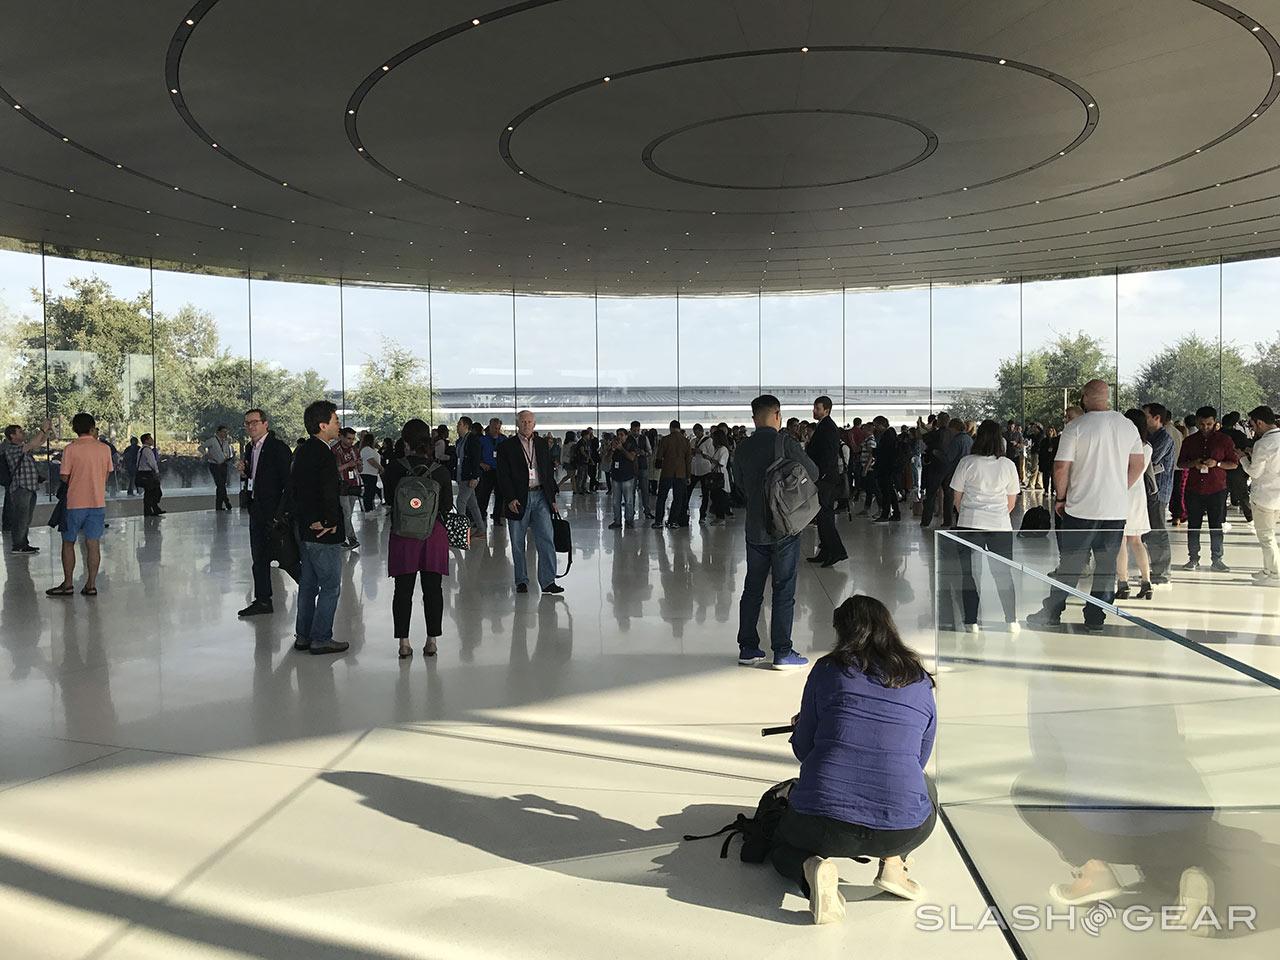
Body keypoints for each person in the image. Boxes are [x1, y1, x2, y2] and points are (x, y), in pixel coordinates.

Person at [770, 595, 937, 924]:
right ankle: (893, 865)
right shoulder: (918, 679)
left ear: (843, 632)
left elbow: (805, 751)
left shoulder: (828, 670)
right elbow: (919, 758)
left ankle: (812, 869)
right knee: (924, 785)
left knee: (782, 847)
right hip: (903, 828)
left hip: (822, 825)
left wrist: (804, 726)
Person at [1027, 380, 1144, 631]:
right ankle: (1095, 616)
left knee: (1070, 564)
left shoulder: (1076, 427)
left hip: (1080, 508)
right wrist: (1120, 487)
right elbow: (1138, 464)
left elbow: (1061, 466)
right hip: (1114, 510)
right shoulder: (1127, 426)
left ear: (1086, 397)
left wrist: (1061, 497)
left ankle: (1053, 611)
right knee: (1105, 565)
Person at [733, 395, 817, 670]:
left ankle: (748, 647)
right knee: (783, 589)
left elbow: (739, 485)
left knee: (752, 588)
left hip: (754, 527)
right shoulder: (785, 443)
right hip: (783, 527)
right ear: (777, 415)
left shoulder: (743, 447)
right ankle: (782, 651)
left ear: (754, 417)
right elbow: (812, 473)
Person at [385, 418, 454, 658]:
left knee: (402, 590)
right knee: (433, 589)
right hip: (433, 534)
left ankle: (403, 642)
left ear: (405, 440)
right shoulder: (441, 471)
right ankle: (431, 640)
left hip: (403, 534)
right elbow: (446, 506)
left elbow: (388, 500)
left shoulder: (394, 468)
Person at [949, 419, 1021, 631]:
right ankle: (1011, 620)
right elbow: (1011, 502)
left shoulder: (967, 462)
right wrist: (996, 514)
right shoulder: (1007, 465)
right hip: (999, 525)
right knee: (1003, 573)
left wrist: (970, 514)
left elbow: (957, 498)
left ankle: (971, 621)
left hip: (970, 524)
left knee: (969, 574)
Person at [292, 400, 348, 655]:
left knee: (308, 584)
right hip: (323, 532)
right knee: (330, 585)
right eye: (335, 421)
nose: (338, 425)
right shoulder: (324, 453)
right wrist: (328, 522)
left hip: (304, 527)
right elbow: (327, 493)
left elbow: (297, 491)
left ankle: (303, 636)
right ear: (323, 425)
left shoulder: (302, 451)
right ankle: (321, 637)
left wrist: (307, 520)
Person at [496, 409, 563, 595]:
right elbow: (503, 476)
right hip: (518, 498)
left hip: (541, 496)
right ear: (518, 424)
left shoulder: (542, 444)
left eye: (529, 422)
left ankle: (548, 581)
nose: (526, 425)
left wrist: (552, 499)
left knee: (546, 539)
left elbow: (547, 472)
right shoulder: (506, 446)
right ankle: (521, 580)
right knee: (518, 543)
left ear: (535, 424)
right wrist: (510, 498)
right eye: (523, 421)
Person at [46, 413, 113, 598]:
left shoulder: (70, 449)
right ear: (92, 428)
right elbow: (106, 475)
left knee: (68, 542)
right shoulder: (104, 449)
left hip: (74, 503)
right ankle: (91, 585)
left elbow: (64, 476)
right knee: (93, 544)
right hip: (97, 503)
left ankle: (68, 584)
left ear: (75, 429)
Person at [238, 408, 293, 618]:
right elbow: (254, 479)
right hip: (257, 510)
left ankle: (309, 590)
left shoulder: (278, 448)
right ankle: (262, 599)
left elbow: (289, 483)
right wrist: (244, 472)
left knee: (287, 557)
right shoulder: (249, 449)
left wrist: (283, 512)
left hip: (275, 513)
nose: (251, 426)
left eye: (254, 422)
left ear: (265, 423)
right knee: (259, 557)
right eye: (247, 423)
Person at [1177, 406, 1238, 572]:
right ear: (1197, 422)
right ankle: (1193, 558)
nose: (1205, 427)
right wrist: (1193, 463)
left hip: (1216, 488)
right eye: (1202, 424)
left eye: (1209, 424)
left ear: (1215, 423)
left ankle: (1217, 559)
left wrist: (1217, 463)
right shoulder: (1189, 441)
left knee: (1216, 525)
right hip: (1194, 489)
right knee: (1194, 525)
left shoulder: (1224, 440)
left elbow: (1233, 463)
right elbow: (1180, 463)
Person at [1114, 409, 1154, 601]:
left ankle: (1123, 582)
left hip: (1121, 493)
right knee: (1137, 540)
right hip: (1138, 494)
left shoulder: (1123, 446)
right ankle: (1146, 581)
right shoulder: (1147, 447)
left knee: (1120, 538)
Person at [804, 396, 848, 566]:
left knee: (825, 515)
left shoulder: (828, 428)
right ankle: (826, 550)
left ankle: (837, 551)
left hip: (826, 479)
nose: (814, 411)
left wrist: (821, 475)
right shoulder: (823, 426)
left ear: (826, 410)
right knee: (822, 515)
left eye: (817, 408)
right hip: (824, 477)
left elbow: (828, 454)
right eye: (814, 408)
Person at [1241, 405, 1280, 585]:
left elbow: (1254, 472)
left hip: (1264, 496)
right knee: (1270, 534)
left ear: (1260, 422)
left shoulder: (1263, 443)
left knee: (1266, 536)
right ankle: (1267, 569)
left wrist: (1242, 458)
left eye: (1252, 425)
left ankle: (1275, 574)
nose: (1252, 428)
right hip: (1277, 495)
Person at [3, 419, 51, 554]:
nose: (23, 433)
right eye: (19, 432)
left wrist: (46, 431)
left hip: (29, 486)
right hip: (20, 487)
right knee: (21, 517)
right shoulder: (12, 448)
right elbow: (33, 443)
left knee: (26, 517)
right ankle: (18, 544)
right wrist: (42, 429)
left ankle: (23, 543)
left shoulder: (23, 448)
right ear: (12, 436)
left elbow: (38, 443)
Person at [1141, 403, 1175, 586]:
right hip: (1150, 490)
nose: (1144, 420)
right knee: (1150, 529)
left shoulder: (1163, 438)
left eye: (1146, 416)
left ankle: (1162, 571)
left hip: (1159, 490)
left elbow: (1149, 459)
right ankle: (1155, 568)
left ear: (1157, 418)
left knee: (1158, 529)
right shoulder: (1150, 436)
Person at [653, 420, 692, 529]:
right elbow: (688, 460)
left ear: (670, 428)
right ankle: (673, 522)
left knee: (661, 497)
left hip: (667, 472)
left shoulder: (665, 440)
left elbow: (659, 456)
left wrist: (658, 466)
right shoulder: (686, 441)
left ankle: (658, 522)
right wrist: (688, 476)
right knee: (678, 498)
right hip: (681, 473)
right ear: (679, 428)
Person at [1220, 411, 1253, 522]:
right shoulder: (1239, 435)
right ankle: (1249, 517)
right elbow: (1247, 447)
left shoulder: (1217, 435)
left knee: (1221, 496)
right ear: (1234, 423)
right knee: (1243, 495)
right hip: (1237, 468)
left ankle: (1221, 519)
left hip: (1220, 468)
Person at [454, 416, 484, 532]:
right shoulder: (459, 441)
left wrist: (475, 476)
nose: (457, 426)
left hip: (469, 476)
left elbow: (476, 459)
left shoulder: (472, 439)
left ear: (466, 426)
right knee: (473, 505)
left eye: (459, 424)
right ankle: (481, 529)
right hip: (461, 476)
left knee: (460, 502)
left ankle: (461, 530)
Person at [334, 427, 362, 549]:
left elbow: (360, 469)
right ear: (341, 437)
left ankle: (343, 537)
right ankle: (351, 537)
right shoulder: (335, 450)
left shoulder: (354, 450)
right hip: (342, 485)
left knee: (348, 513)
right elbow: (334, 469)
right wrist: (348, 465)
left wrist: (359, 465)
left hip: (354, 483)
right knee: (346, 513)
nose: (351, 441)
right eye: (348, 438)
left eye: (352, 439)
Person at [871, 416, 901, 522]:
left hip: (886, 468)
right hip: (889, 467)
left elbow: (885, 452)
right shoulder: (890, 434)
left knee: (886, 492)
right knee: (890, 491)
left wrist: (875, 451)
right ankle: (895, 513)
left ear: (880, 425)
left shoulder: (887, 436)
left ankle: (885, 514)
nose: (875, 428)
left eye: (876, 425)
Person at [607, 427, 638, 529]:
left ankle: (629, 521)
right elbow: (606, 459)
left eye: (622, 435)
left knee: (628, 500)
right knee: (616, 501)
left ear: (626, 436)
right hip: (616, 476)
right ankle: (617, 521)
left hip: (628, 477)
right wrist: (612, 450)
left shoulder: (631, 445)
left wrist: (622, 449)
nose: (619, 437)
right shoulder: (614, 445)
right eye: (618, 435)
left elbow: (632, 457)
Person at [685, 424, 716, 525]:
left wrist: (701, 452)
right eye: (695, 432)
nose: (696, 434)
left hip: (705, 469)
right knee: (688, 491)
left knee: (705, 493)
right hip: (694, 469)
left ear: (701, 431)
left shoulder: (708, 441)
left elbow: (711, 455)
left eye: (697, 432)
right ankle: (685, 511)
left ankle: (702, 515)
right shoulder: (693, 441)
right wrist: (692, 452)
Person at [477, 417, 505, 523]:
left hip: (500, 471)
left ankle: (497, 516)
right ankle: (481, 515)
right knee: (484, 494)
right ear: (490, 426)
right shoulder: (482, 440)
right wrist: (481, 463)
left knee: (500, 495)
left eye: (498, 428)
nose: (496, 430)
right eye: (494, 427)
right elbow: (477, 456)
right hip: (487, 470)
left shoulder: (503, 440)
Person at [200, 425, 235, 511]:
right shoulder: (212, 440)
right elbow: (200, 447)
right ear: (218, 432)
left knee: (221, 485)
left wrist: (229, 456)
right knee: (220, 484)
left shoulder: (226, 442)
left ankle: (219, 506)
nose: (225, 434)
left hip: (224, 464)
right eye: (223, 432)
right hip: (215, 465)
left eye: (226, 432)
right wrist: (206, 454)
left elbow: (226, 452)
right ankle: (227, 502)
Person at [134, 433, 163, 517]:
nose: (152, 440)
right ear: (146, 440)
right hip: (148, 474)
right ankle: (152, 509)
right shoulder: (147, 450)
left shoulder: (141, 450)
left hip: (142, 473)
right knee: (155, 492)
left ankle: (152, 509)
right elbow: (152, 462)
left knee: (149, 493)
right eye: (150, 438)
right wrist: (156, 472)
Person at [630, 421, 654, 519]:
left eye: (638, 430)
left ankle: (647, 511)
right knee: (631, 491)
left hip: (642, 466)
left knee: (645, 490)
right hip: (631, 468)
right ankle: (630, 511)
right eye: (634, 430)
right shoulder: (628, 439)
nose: (636, 432)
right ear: (631, 429)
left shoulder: (644, 438)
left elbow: (650, 452)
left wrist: (644, 453)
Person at [359, 433, 383, 512]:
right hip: (367, 473)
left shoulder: (370, 449)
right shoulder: (366, 449)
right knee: (369, 492)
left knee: (371, 491)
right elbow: (371, 461)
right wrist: (380, 467)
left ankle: (370, 508)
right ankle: (368, 509)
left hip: (372, 473)